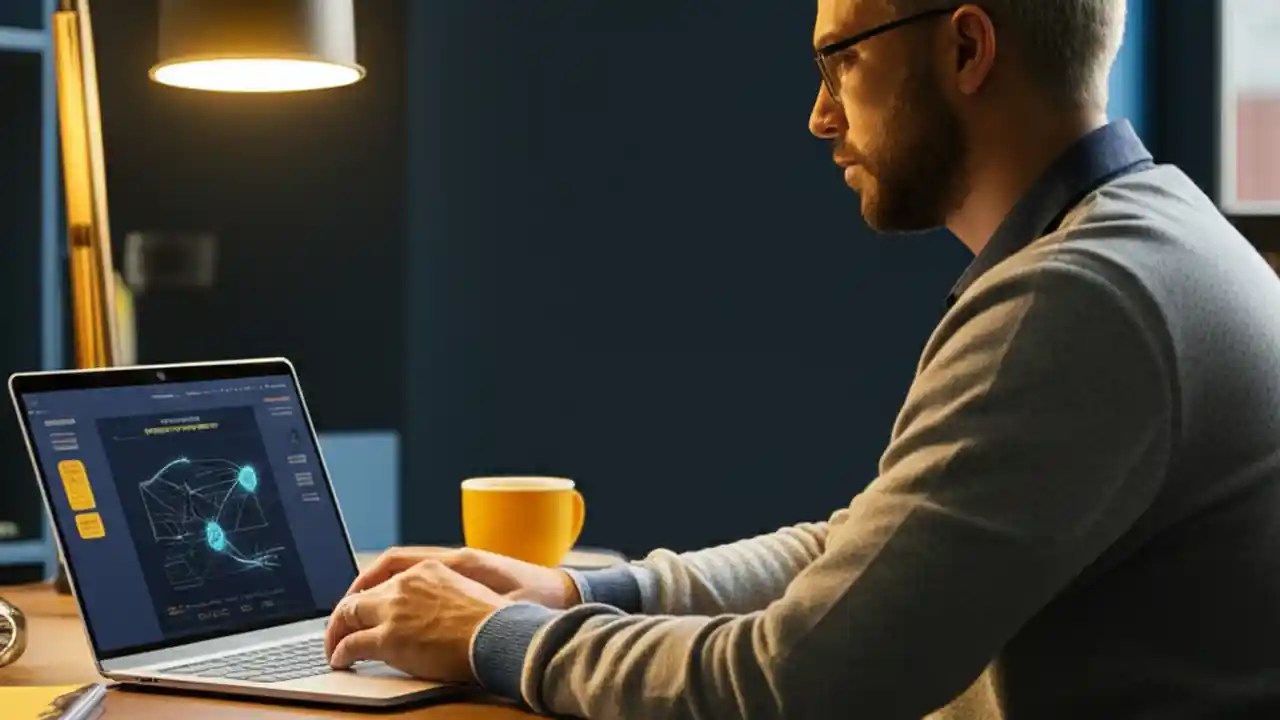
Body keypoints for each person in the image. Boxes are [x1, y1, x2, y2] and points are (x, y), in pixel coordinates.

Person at [324, 0, 1280, 717]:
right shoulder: (1154, 237)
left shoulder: (1079, 297)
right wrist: (582, 589)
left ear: (965, 46)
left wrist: (493, 638)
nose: (821, 115)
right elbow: (864, 553)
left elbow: (798, 684)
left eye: (842, 59)